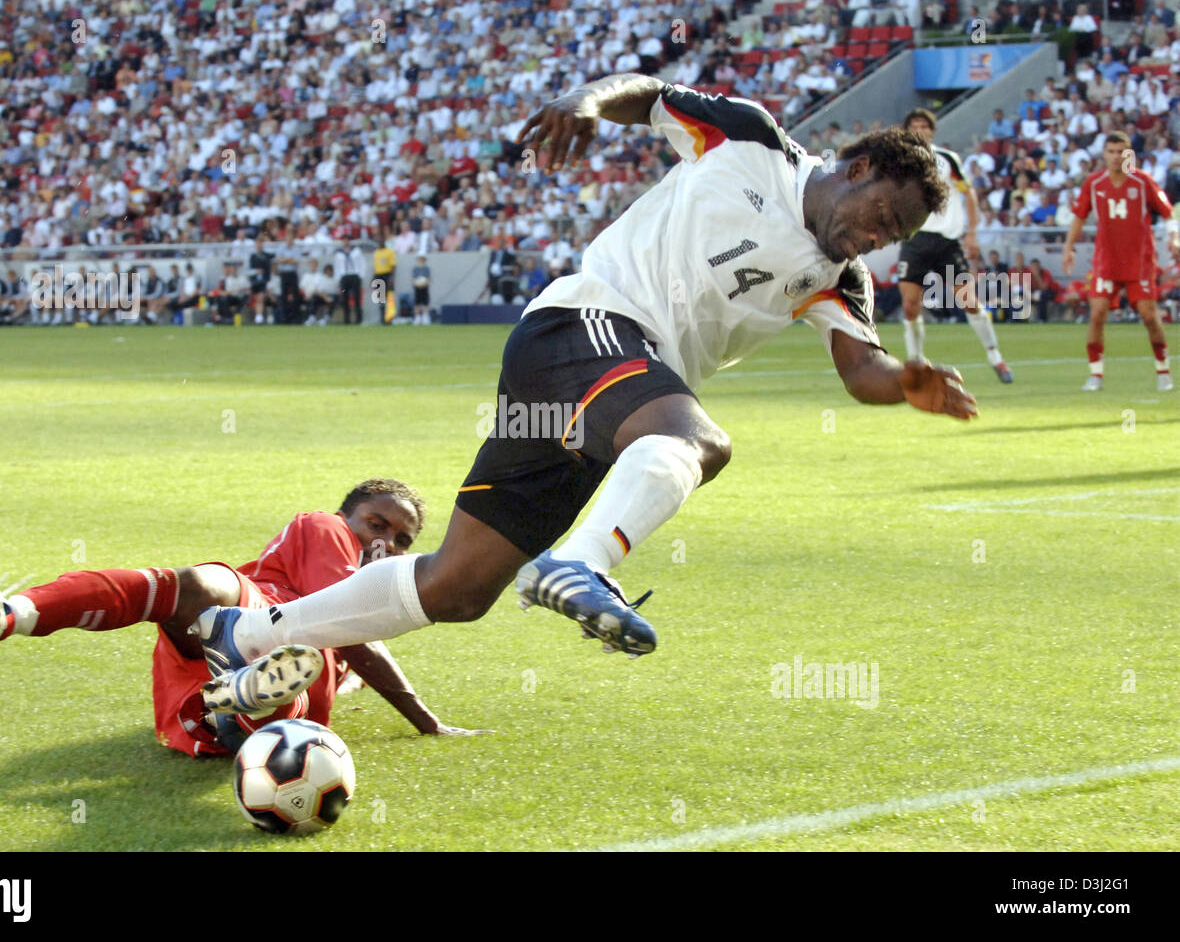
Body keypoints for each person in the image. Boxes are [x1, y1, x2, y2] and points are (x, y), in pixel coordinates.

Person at [184, 74, 976, 688]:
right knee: (697, 439)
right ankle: (585, 563)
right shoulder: (752, 142)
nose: (876, 241)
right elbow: (649, 95)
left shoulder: (839, 277)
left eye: (892, 238)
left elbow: (860, 368)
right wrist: (583, 102)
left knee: (459, 587)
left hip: (603, 398)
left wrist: (907, 383)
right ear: (859, 167)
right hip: (585, 323)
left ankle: (249, 636)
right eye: (881, 217)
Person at [0, 479, 487, 756]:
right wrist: (424, 720)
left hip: (253, 681)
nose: (384, 543)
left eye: (401, 541)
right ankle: (6, 616)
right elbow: (358, 632)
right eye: (376, 524)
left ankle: (248, 698)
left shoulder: (363, 591)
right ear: (345, 516)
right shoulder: (324, 527)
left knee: (297, 656)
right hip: (242, 623)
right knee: (203, 587)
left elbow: (354, 639)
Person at [897, 109, 1014, 381]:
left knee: (969, 301)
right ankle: (915, 361)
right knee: (910, 305)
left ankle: (995, 355)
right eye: (914, 126)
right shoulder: (898, 163)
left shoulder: (947, 159)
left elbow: (968, 192)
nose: (920, 130)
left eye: (925, 126)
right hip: (914, 240)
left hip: (947, 242)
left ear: (932, 131)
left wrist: (972, 233)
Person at [1062, 131, 1179, 391]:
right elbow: (1080, 216)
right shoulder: (1094, 183)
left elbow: (1168, 211)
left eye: (1121, 152)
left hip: (1139, 262)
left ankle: (1163, 372)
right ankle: (1095, 375)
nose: (1116, 157)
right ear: (1104, 154)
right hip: (1106, 263)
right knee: (1097, 314)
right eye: (1111, 152)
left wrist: (1174, 236)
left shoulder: (1143, 182)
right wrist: (1068, 246)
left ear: (1130, 155)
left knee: (1149, 317)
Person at [412, 255, 432, 325]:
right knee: (417, 302)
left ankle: (425, 317)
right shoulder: (415, 269)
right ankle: (417, 317)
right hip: (417, 287)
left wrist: (424, 284)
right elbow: (413, 279)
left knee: (425, 302)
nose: (421, 260)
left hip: (425, 287)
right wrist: (418, 284)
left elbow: (429, 278)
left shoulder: (427, 269)